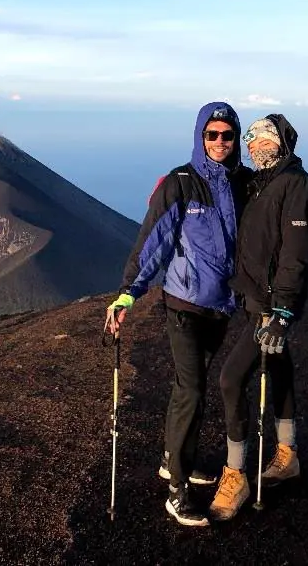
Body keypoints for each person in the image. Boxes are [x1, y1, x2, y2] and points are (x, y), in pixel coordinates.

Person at [105, 101, 253, 527]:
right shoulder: (181, 184)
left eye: (228, 135)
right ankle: (177, 492)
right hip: (184, 305)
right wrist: (128, 295)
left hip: (220, 308)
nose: (220, 142)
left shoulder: (242, 184)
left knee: (192, 385)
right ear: (199, 137)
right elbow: (153, 242)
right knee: (191, 390)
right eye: (212, 135)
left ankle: (173, 460)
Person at [208, 114, 308, 522]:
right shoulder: (263, 183)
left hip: (273, 305)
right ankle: (288, 454)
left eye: (264, 138)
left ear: (284, 141)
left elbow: (295, 252)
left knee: (231, 379)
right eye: (251, 139)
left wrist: (282, 312)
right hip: (259, 299)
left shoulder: (295, 185)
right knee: (280, 366)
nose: (256, 145)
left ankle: (236, 472)